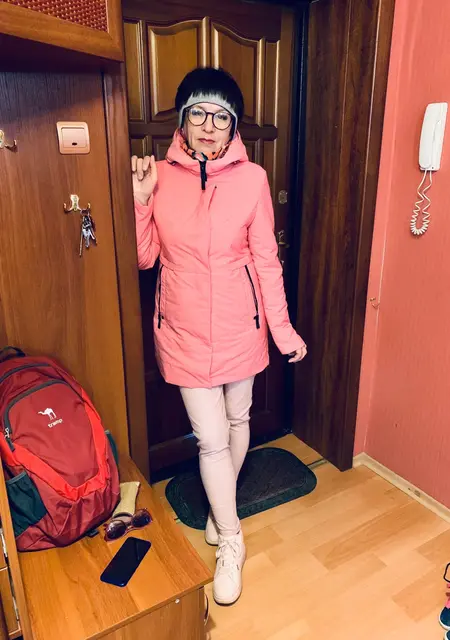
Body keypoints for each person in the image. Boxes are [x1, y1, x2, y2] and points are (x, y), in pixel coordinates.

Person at [132, 67, 307, 605]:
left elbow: (267, 261)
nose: (210, 125)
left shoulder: (253, 180)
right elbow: (144, 257)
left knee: (237, 421)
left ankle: (218, 507)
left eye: (222, 116)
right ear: (183, 119)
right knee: (209, 439)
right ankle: (232, 539)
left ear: (234, 126)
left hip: (241, 328)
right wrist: (140, 199)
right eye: (199, 113)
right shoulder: (159, 176)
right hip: (183, 331)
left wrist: (282, 330)